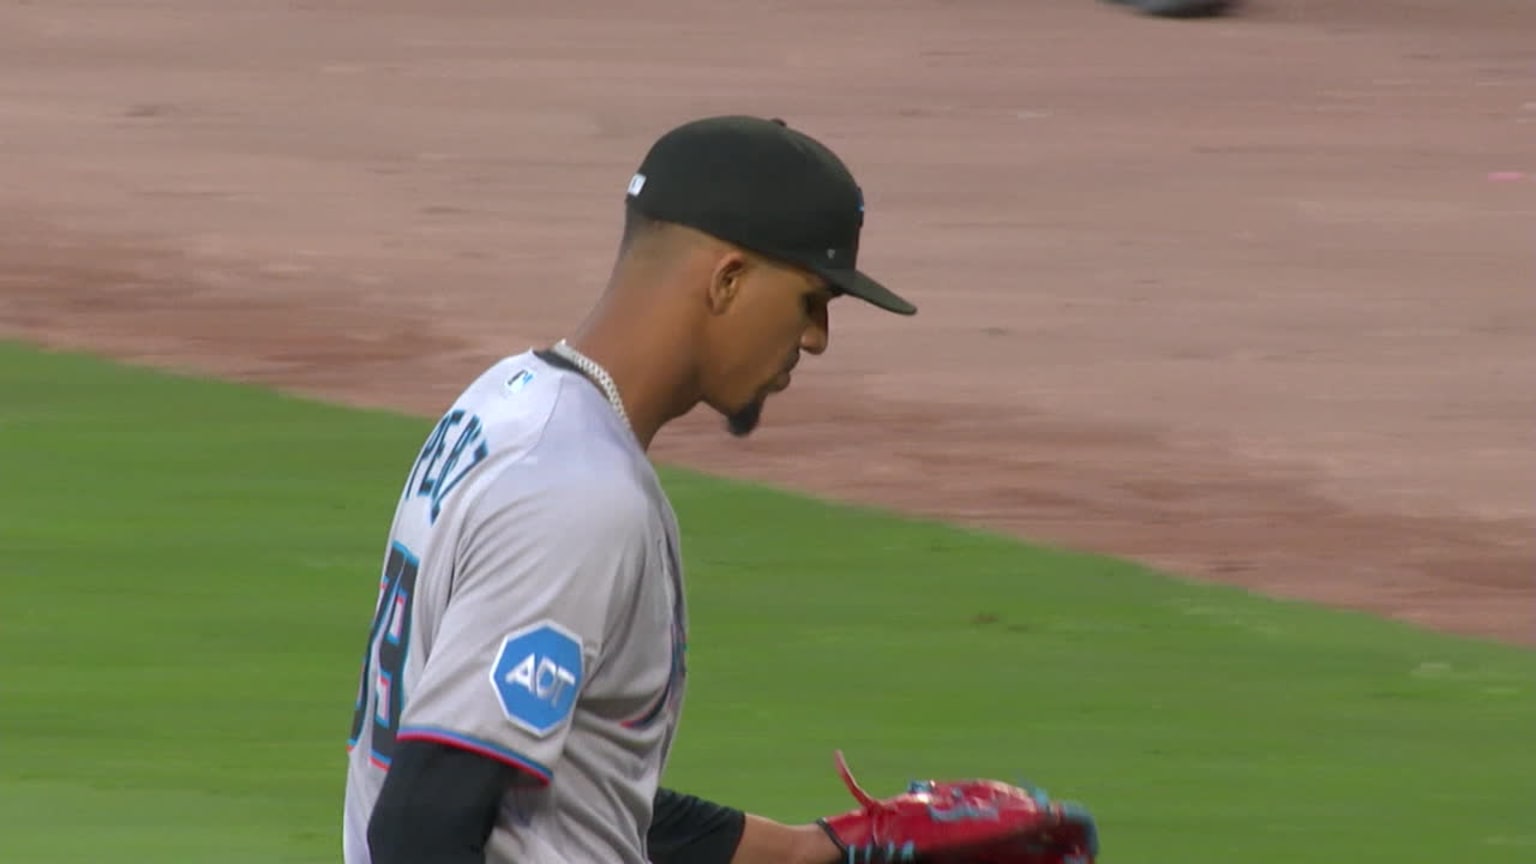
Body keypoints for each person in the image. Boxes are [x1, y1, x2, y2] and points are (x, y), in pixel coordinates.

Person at [341, 115, 1097, 864]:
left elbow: (559, 799)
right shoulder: (579, 497)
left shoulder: (507, 403)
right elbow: (422, 828)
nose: (817, 340)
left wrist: (815, 852)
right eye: (812, 299)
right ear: (729, 278)